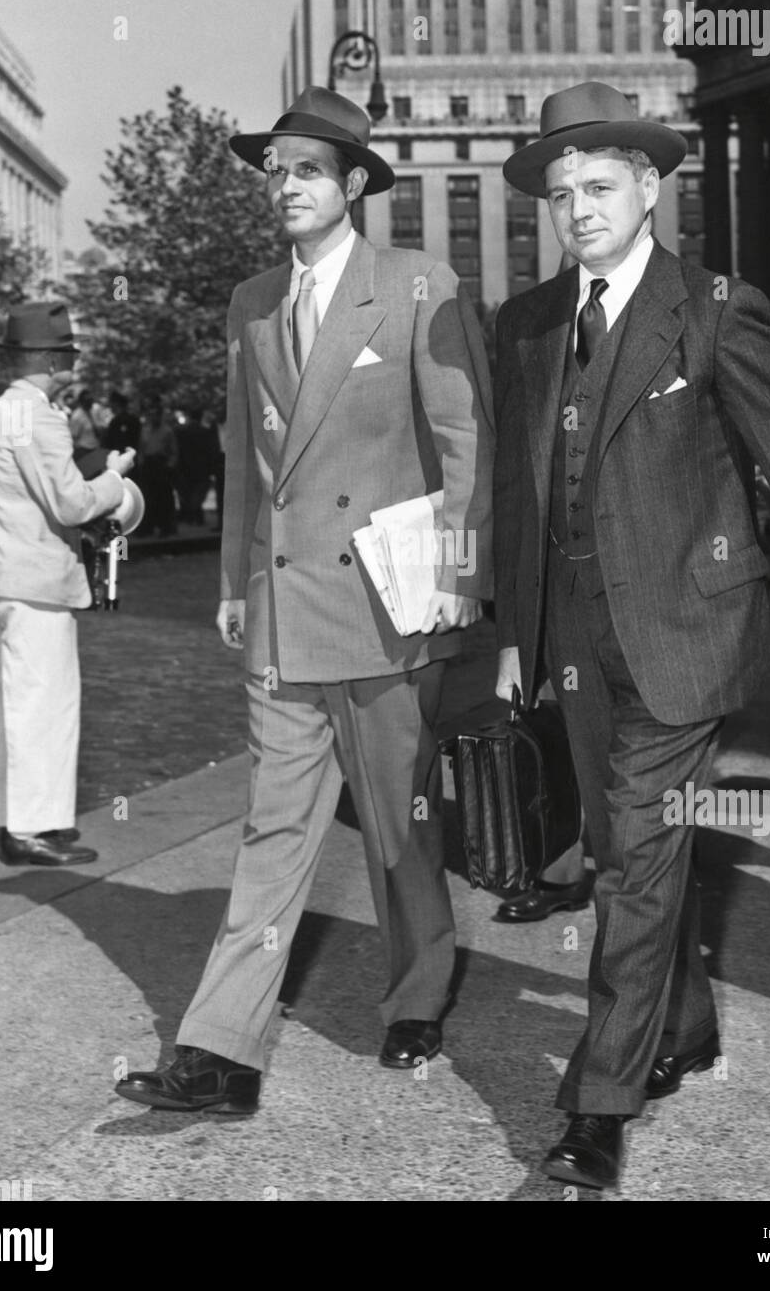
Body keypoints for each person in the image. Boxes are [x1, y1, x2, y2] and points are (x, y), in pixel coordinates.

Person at [492, 81, 770, 1190]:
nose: (576, 208)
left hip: (683, 634)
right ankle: (682, 1026)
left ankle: (600, 1101)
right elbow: (513, 488)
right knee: (640, 853)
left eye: (597, 186)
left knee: (628, 864)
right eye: (558, 191)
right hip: (571, 642)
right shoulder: (526, 325)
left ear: (646, 186)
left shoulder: (718, 308)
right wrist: (509, 632)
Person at [116, 85, 493, 1114]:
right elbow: (247, 455)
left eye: (306, 169)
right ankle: (220, 1052)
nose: (284, 186)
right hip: (283, 610)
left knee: (398, 821)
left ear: (355, 183)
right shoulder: (249, 302)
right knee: (273, 830)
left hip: (384, 603)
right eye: (274, 169)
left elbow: (462, 443)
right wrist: (238, 575)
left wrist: (457, 576)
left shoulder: (418, 283)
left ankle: (418, 988)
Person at [0, 302, 137, 868]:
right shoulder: (38, 417)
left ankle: (28, 821)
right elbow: (70, 502)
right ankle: (30, 831)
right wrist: (115, 478)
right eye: (67, 351)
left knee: (17, 705)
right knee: (43, 706)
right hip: (33, 581)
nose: (72, 360)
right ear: (50, 358)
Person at [137, 396, 178, 536]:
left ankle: (165, 528)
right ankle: (146, 528)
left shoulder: (167, 431)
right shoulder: (145, 429)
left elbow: (174, 451)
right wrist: (140, 461)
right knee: (147, 497)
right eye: (151, 414)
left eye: (156, 414)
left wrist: (170, 465)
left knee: (163, 498)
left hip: (161, 464)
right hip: (148, 465)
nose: (153, 417)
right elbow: (141, 448)